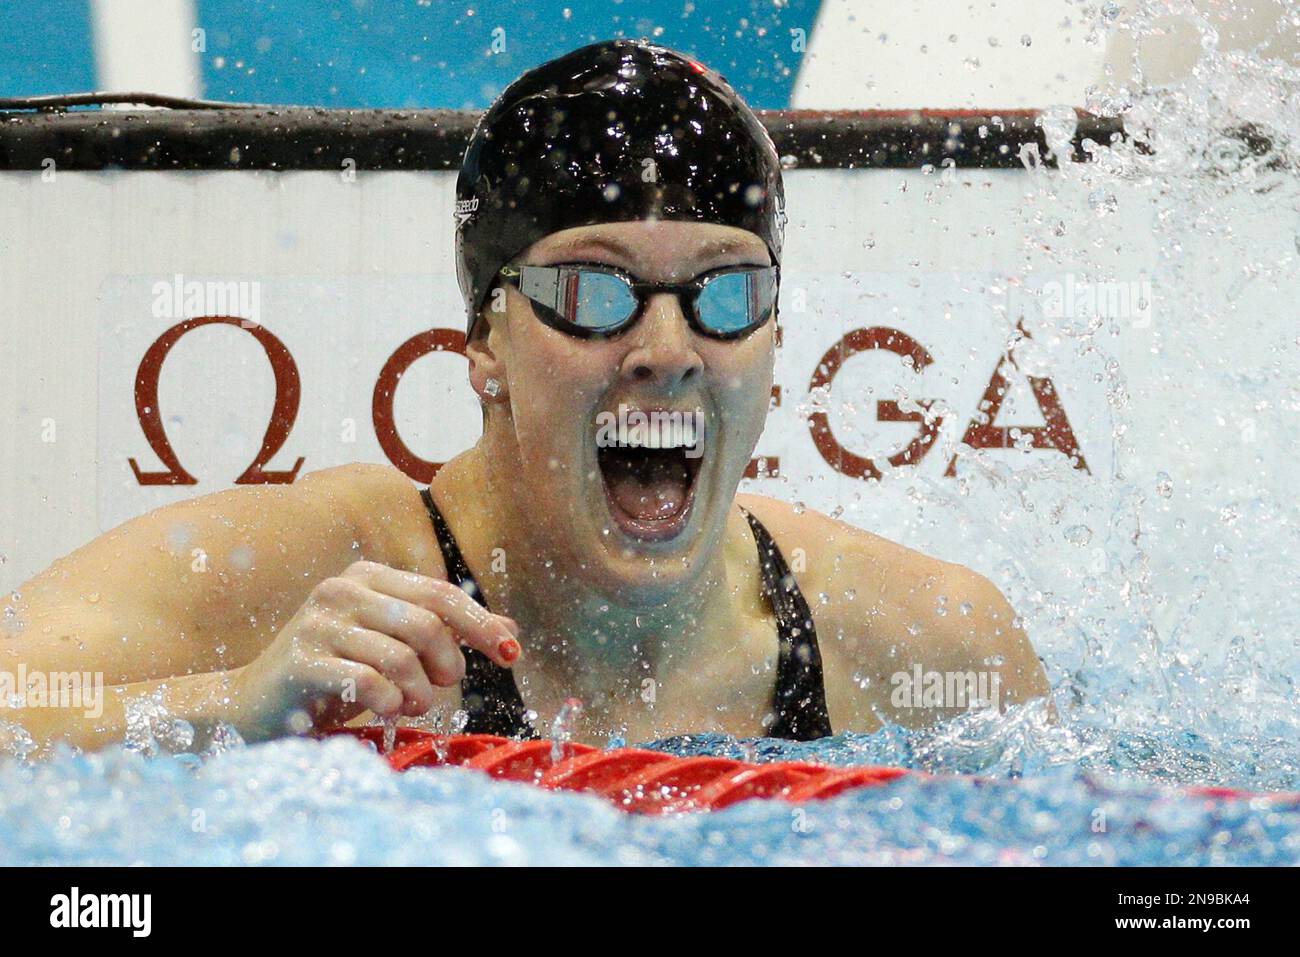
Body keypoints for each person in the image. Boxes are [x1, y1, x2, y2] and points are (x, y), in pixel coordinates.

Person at [1, 39, 1049, 753]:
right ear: (478, 340)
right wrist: (232, 704)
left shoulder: (924, 638)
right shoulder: (323, 573)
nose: (666, 347)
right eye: (595, 292)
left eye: (726, 293)